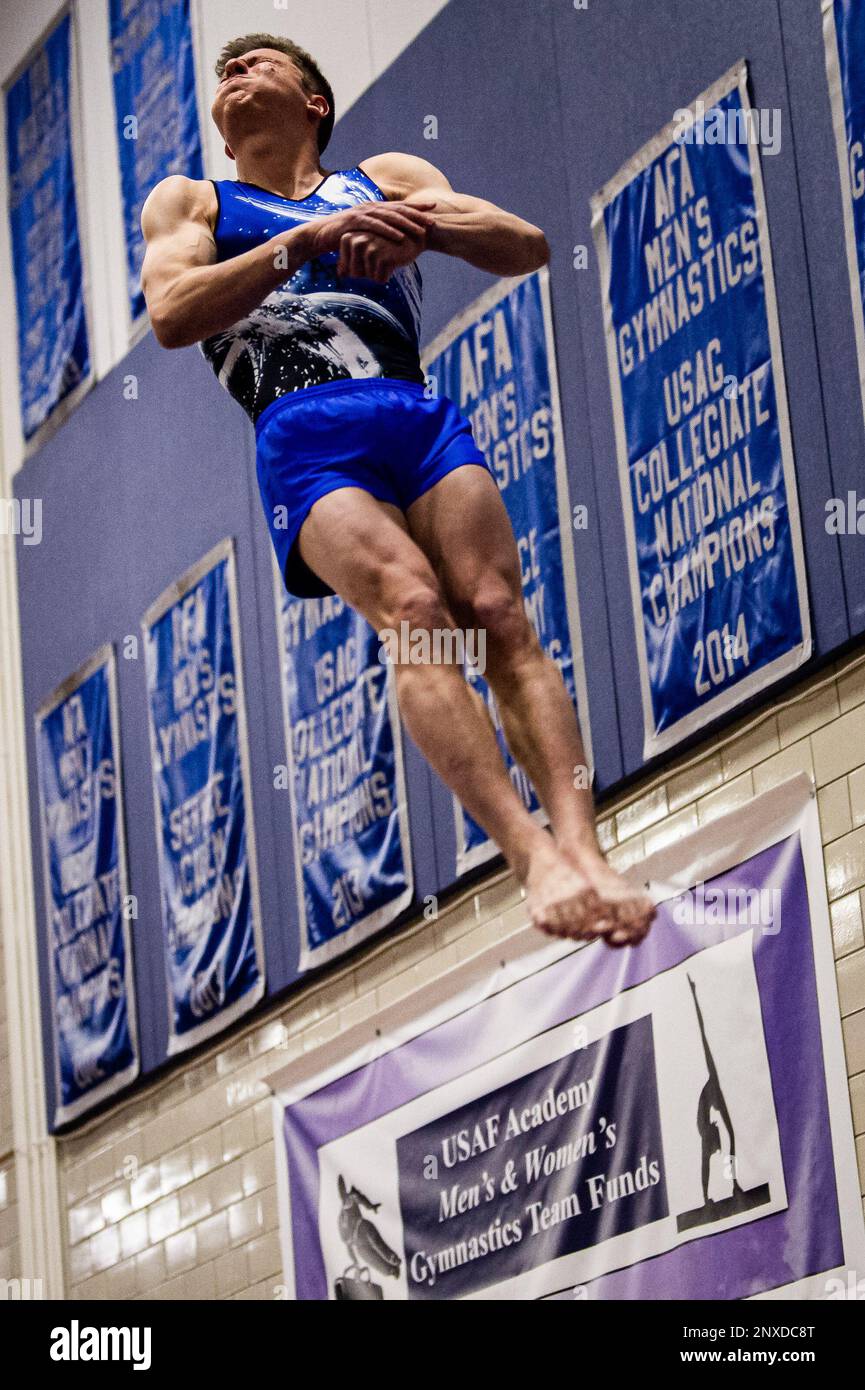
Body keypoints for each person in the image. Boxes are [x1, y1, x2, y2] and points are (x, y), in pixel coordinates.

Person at [140, 33, 655, 948]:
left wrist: (410, 225)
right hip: (302, 428)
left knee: (497, 612)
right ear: (222, 137)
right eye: (224, 72)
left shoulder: (382, 174)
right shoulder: (194, 200)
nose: (234, 74)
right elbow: (174, 316)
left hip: (412, 412)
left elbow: (525, 244)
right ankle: (530, 858)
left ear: (314, 103)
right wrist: (308, 240)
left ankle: (584, 848)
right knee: (416, 609)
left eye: (259, 63)